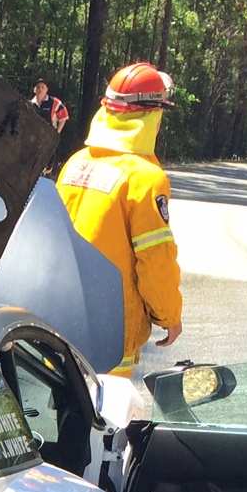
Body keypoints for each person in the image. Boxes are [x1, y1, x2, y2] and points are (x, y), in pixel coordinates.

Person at [57, 62, 183, 375]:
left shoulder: (75, 164)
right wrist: (169, 316)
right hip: (110, 335)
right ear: (152, 115)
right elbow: (155, 261)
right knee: (107, 420)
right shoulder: (145, 179)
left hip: (58, 321)